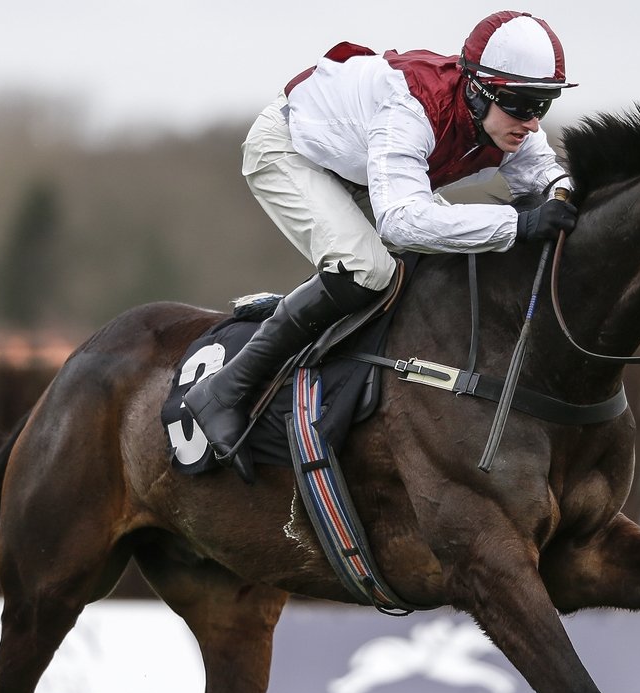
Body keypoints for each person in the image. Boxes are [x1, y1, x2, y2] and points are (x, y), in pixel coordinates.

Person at [185, 11, 580, 482]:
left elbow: (546, 176)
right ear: (479, 88)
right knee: (366, 269)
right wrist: (521, 223)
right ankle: (225, 390)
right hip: (291, 150)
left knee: (433, 265)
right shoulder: (412, 106)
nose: (533, 123)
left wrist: (562, 196)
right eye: (521, 105)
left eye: (544, 105)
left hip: (358, 166)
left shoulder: (506, 122)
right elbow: (401, 222)